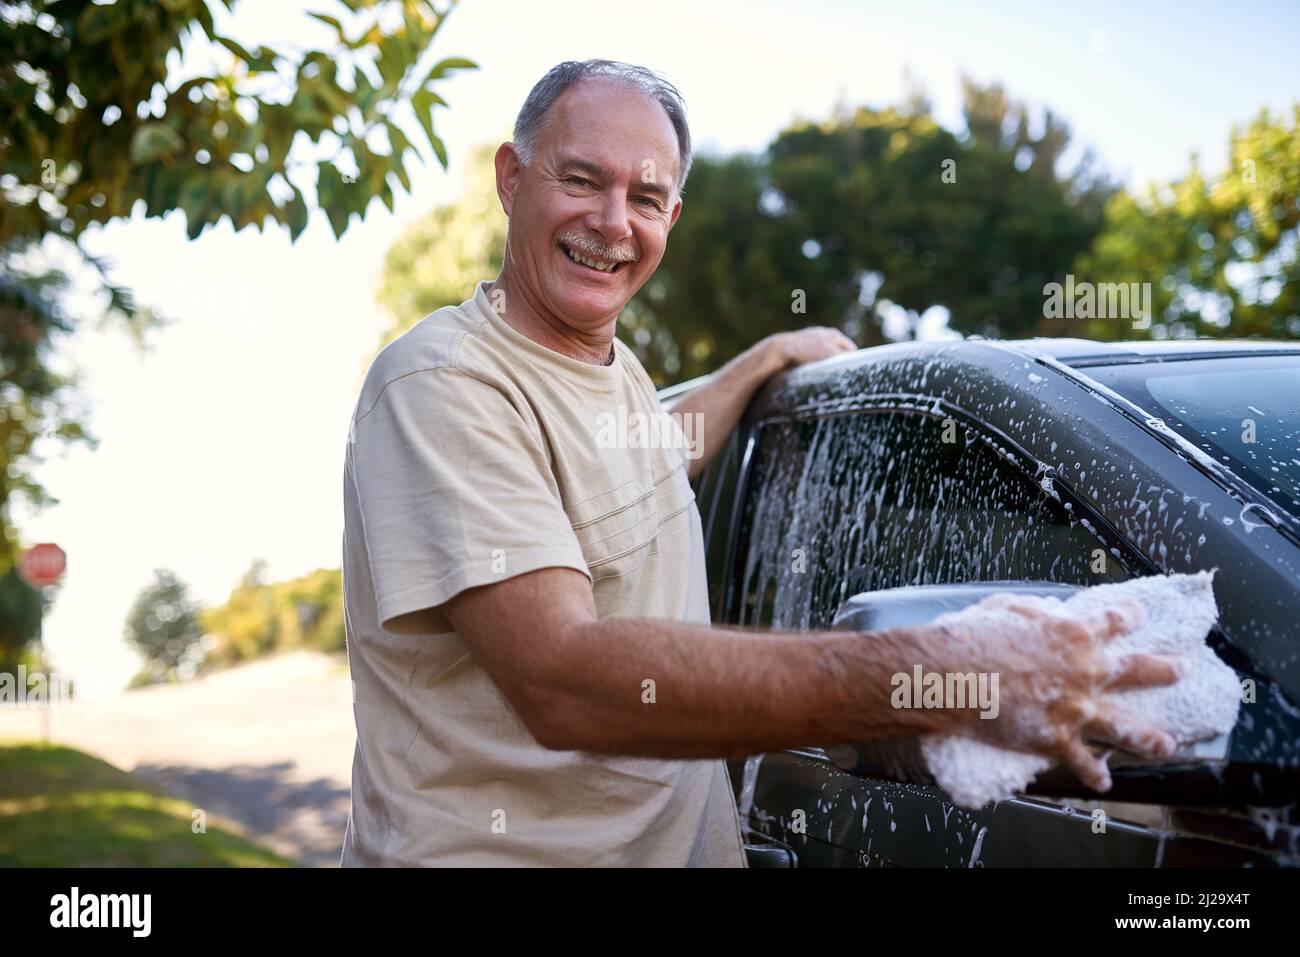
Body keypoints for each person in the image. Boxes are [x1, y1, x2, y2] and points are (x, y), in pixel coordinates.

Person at [339, 59, 1179, 867]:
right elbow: (562, 677)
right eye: (581, 179)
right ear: (512, 178)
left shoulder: (613, 370)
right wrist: (941, 672)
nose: (612, 222)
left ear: (672, 218)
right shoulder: (444, 382)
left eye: (646, 196)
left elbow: (651, 464)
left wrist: (760, 363)